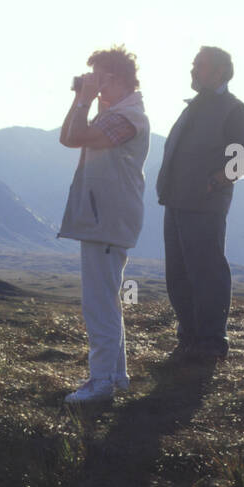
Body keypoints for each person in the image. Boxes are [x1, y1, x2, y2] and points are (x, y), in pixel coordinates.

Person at [56, 46, 150, 404]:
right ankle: (116, 376)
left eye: (100, 76)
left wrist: (85, 99)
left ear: (119, 78)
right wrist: (85, 99)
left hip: (108, 218)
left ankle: (101, 383)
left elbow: (77, 136)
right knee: (106, 299)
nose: (93, 82)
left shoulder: (127, 117)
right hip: (103, 218)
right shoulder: (115, 113)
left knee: (99, 304)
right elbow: (67, 137)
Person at [154, 46, 244, 364]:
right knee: (178, 272)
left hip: (205, 204)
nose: (193, 70)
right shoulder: (194, 107)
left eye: (200, 65)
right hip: (177, 201)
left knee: (207, 271)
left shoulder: (233, 109)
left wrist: (213, 183)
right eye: (194, 64)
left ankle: (211, 342)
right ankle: (190, 337)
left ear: (220, 71)